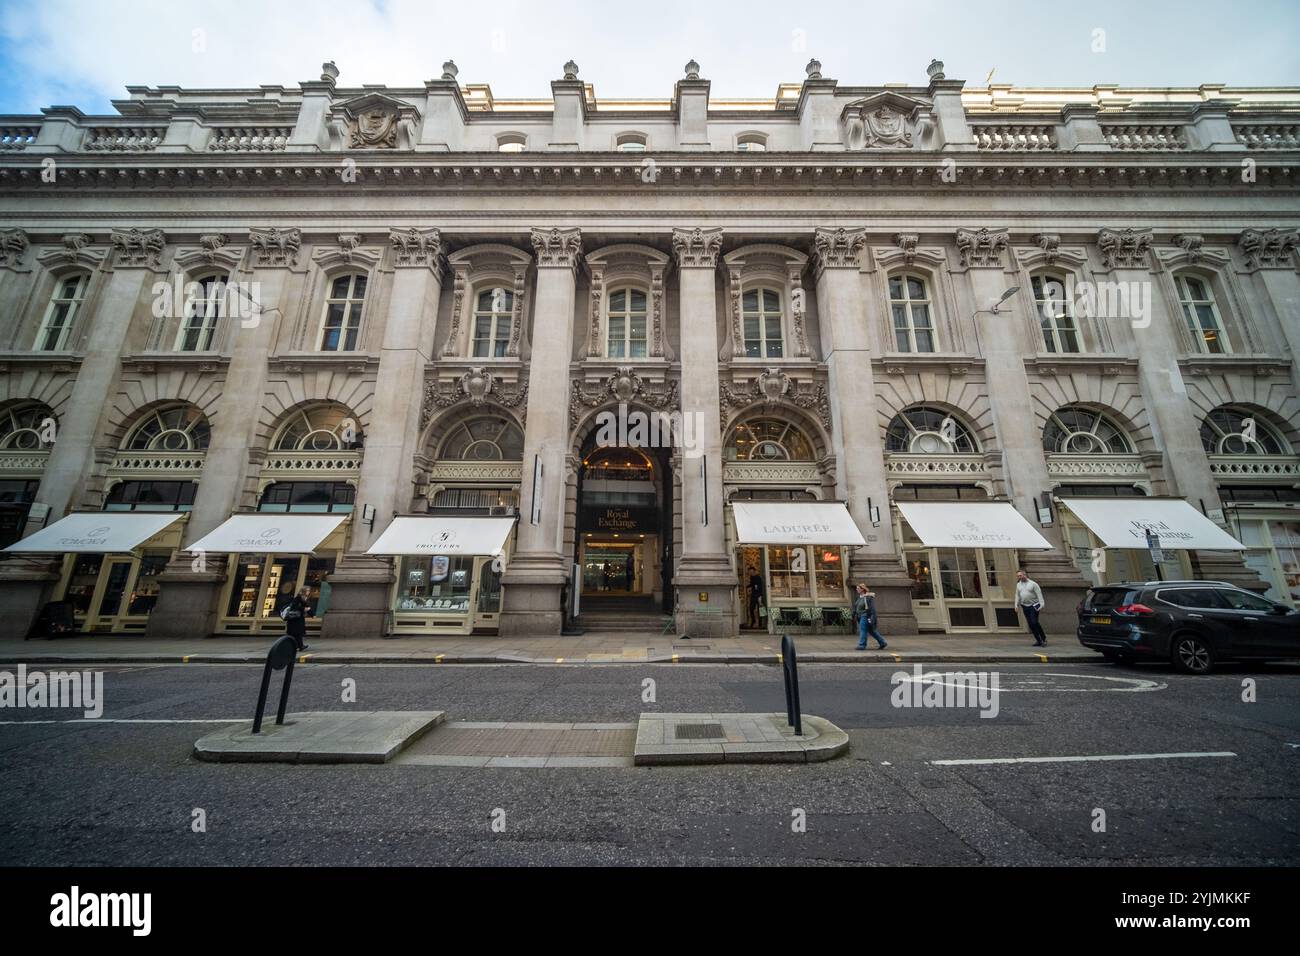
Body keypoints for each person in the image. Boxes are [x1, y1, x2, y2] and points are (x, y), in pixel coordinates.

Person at [1015, 569, 1048, 647]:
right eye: (1018, 576)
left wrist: (1042, 605)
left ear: (1024, 575)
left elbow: (1039, 594)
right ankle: (1038, 640)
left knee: (1034, 622)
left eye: (1020, 575)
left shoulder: (1033, 584)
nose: (1019, 577)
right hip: (1024, 606)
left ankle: (1043, 638)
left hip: (1034, 606)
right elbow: (1017, 595)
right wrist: (1016, 605)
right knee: (1031, 624)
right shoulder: (1018, 584)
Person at [854, 583, 888, 650]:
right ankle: (882, 642)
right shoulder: (860, 598)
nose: (856, 589)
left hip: (866, 616)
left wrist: (872, 617)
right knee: (872, 631)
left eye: (858, 588)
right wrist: (854, 613)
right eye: (856, 588)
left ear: (862, 589)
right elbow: (856, 607)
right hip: (860, 616)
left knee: (863, 630)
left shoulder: (868, 597)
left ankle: (862, 645)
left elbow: (872, 608)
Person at [282, 586, 313, 651]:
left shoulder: (304, 598)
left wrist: (312, 614)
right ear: (304, 591)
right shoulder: (298, 598)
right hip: (295, 619)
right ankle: (298, 646)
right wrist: (303, 609)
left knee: (298, 633)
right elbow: (294, 606)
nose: (308, 592)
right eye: (307, 590)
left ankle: (298, 646)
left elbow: (307, 607)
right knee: (296, 633)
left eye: (309, 591)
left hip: (299, 618)